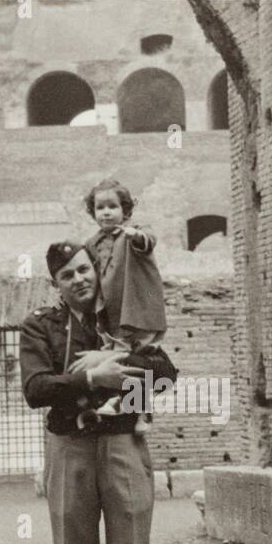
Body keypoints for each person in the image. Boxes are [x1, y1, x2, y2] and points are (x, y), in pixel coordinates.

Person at [19, 240, 178, 544]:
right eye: (68, 275)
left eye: (85, 269)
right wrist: (89, 380)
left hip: (123, 447)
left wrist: (118, 375)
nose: (80, 279)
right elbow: (35, 387)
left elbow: (166, 374)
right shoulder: (40, 326)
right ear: (57, 285)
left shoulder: (123, 321)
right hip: (71, 450)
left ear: (97, 271)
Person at [81, 178, 167, 432]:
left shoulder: (134, 232)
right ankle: (120, 400)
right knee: (117, 356)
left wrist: (136, 235)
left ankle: (144, 414)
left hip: (137, 308)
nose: (106, 212)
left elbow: (147, 241)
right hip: (111, 312)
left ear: (125, 210)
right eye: (100, 207)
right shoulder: (92, 243)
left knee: (138, 357)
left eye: (113, 206)